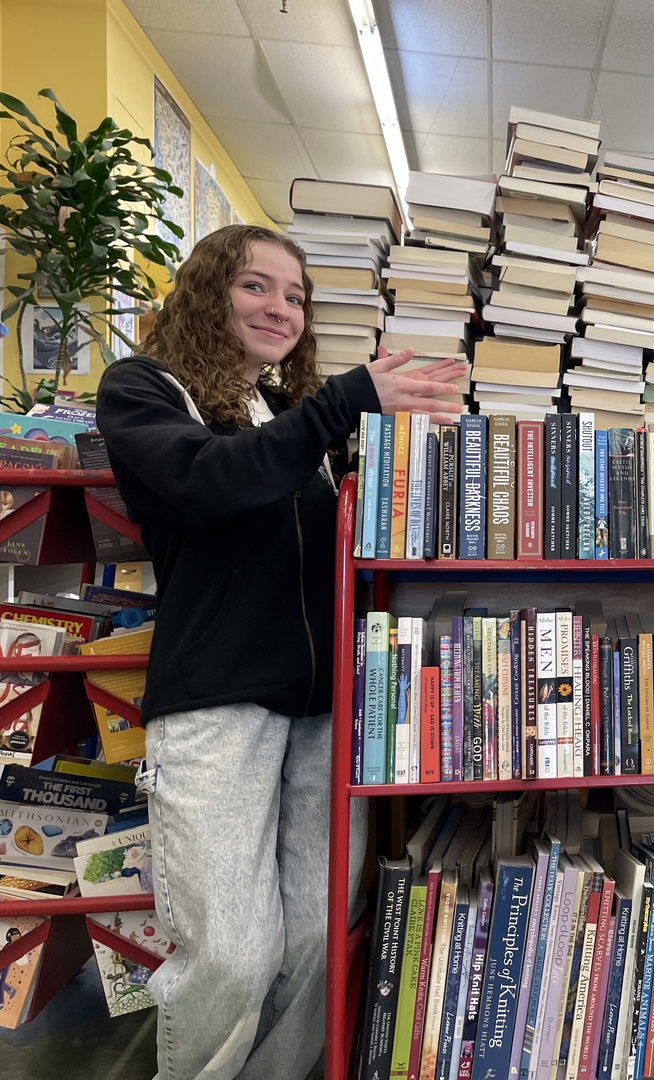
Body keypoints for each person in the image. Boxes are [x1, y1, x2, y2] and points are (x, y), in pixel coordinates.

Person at [96, 224, 464, 1080]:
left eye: (296, 295)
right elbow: (204, 483)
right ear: (206, 292)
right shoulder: (143, 388)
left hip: (324, 707)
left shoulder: (285, 417)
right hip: (217, 704)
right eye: (256, 286)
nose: (281, 308)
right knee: (230, 950)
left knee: (317, 933)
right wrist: (341, 404)